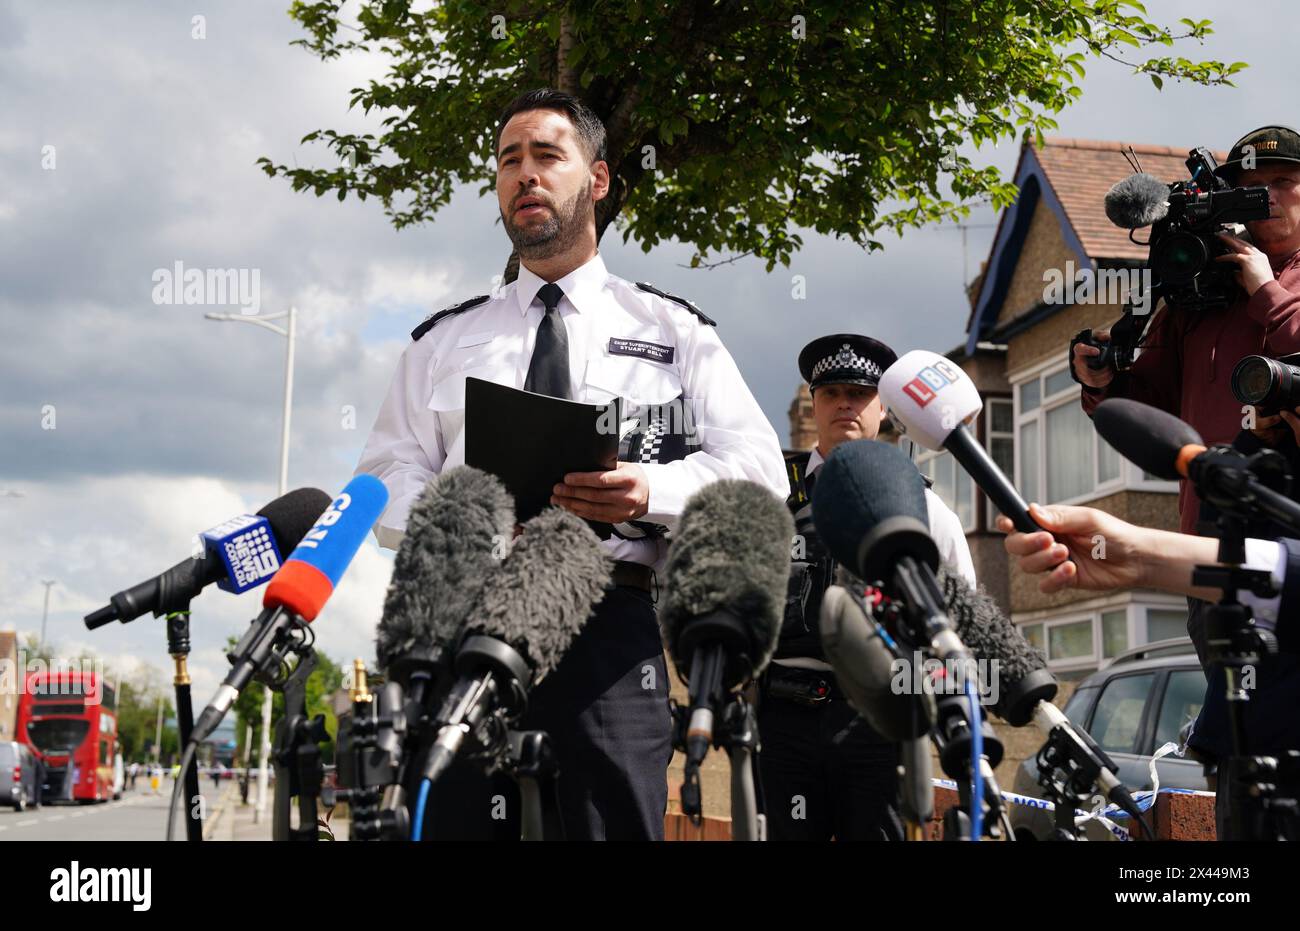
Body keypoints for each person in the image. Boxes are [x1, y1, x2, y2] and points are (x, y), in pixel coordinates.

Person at [355, 88, 787, 840]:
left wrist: (649, 489)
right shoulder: (441, 341)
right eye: (508, 160)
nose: (525, 175)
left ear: (598, 178)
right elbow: (382, 479)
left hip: (611, 632)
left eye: (547, 156)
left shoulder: (674, 330)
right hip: (470, 624)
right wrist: (468, 522)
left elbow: (759, 473)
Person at [757, 333, 977, 841]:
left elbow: (961, 615)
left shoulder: (924, 507)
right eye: (831, 393)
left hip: (880, 718)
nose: (845, 405)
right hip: (785, 717)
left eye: (859, 393)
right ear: (814, 403)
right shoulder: (771, 492)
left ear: (884, 407)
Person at [1073, 125, 1300, 535]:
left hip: (1289, 532)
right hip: (1206, 535)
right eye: (1251, 184)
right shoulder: (1201, 285)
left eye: (1283, 181)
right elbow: (1152, 409)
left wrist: (1266, 291)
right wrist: (1101, 381)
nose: (1267, 195)